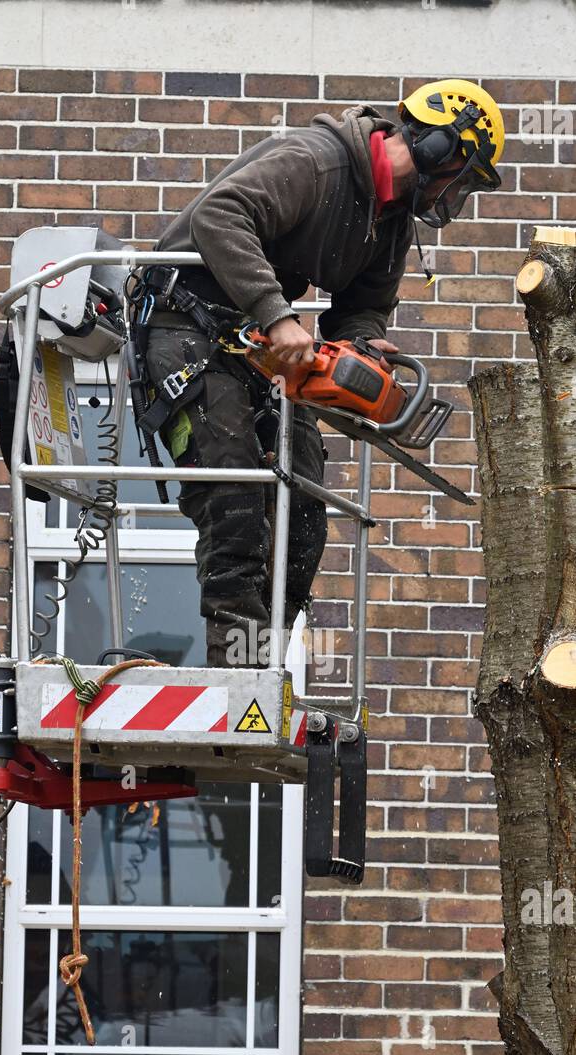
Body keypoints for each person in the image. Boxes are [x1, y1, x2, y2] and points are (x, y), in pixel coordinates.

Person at [139, 81, 505, 667]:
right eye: (461, 174)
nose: (455, 193)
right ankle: (237, 674)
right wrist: (279, 316)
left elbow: (361, 307)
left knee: (304, 505)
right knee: (235, 493)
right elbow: (221, 214)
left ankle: (263, 660)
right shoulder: (319, 161)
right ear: (439, 147)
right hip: (185, 324)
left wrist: (361, 344)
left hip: (256, 345)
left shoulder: (390, 224)